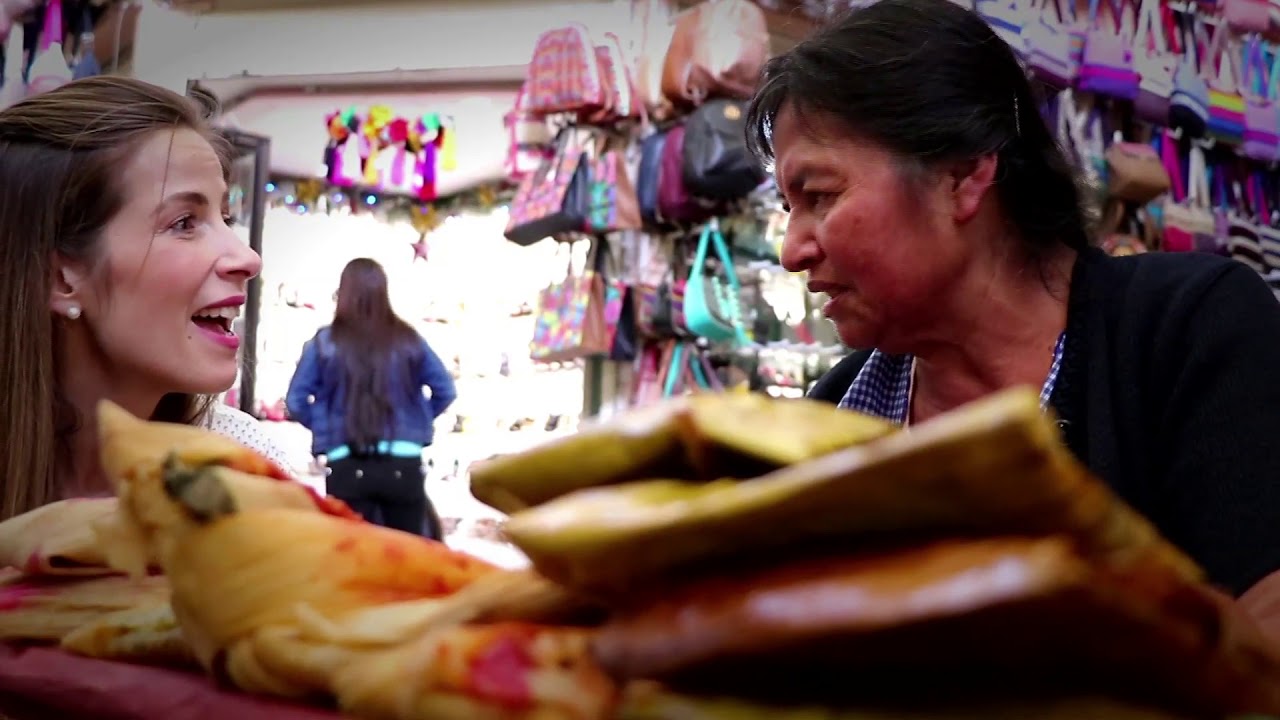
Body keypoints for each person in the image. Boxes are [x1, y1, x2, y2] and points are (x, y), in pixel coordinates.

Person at [746, 0, 1280, 639]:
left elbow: (1265, 627)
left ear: (964, 175)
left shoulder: (1188, 329)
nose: (792, 249)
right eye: (787, 207)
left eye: (821, 196)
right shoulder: (833, 418)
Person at [0, 76, 290, 522]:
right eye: (184, 222)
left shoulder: (248, 471)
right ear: (59, 278)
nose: (246, 258)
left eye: (225, 216)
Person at [286, 258, 456, 537]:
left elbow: (296, 401)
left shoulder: (324, 343)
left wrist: (327, 424)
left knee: (355, 552)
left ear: (344, 292)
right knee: (409, 553)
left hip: (346, 461)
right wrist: (416, 419)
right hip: (404, 462)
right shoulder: (408, 338)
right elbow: (445, 390)